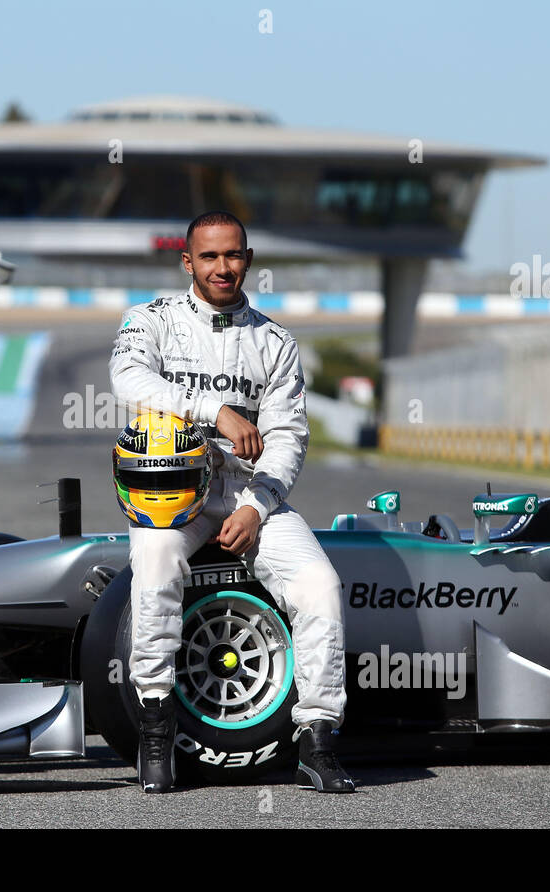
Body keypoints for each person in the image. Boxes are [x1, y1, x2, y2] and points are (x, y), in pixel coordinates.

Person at [108, 210, 356, 794]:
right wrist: (211, 410)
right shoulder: (149, 321)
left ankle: (317, 740)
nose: (224, 267)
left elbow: (289, 438)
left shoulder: (276, 342)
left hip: (248, 493)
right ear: (188, 262)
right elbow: (127, 380)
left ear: (248, 259)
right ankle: (156, 725)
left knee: (320, 584)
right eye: (210, 256)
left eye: (234, 255)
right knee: (155, 565)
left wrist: (256, 507)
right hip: (170, 491)